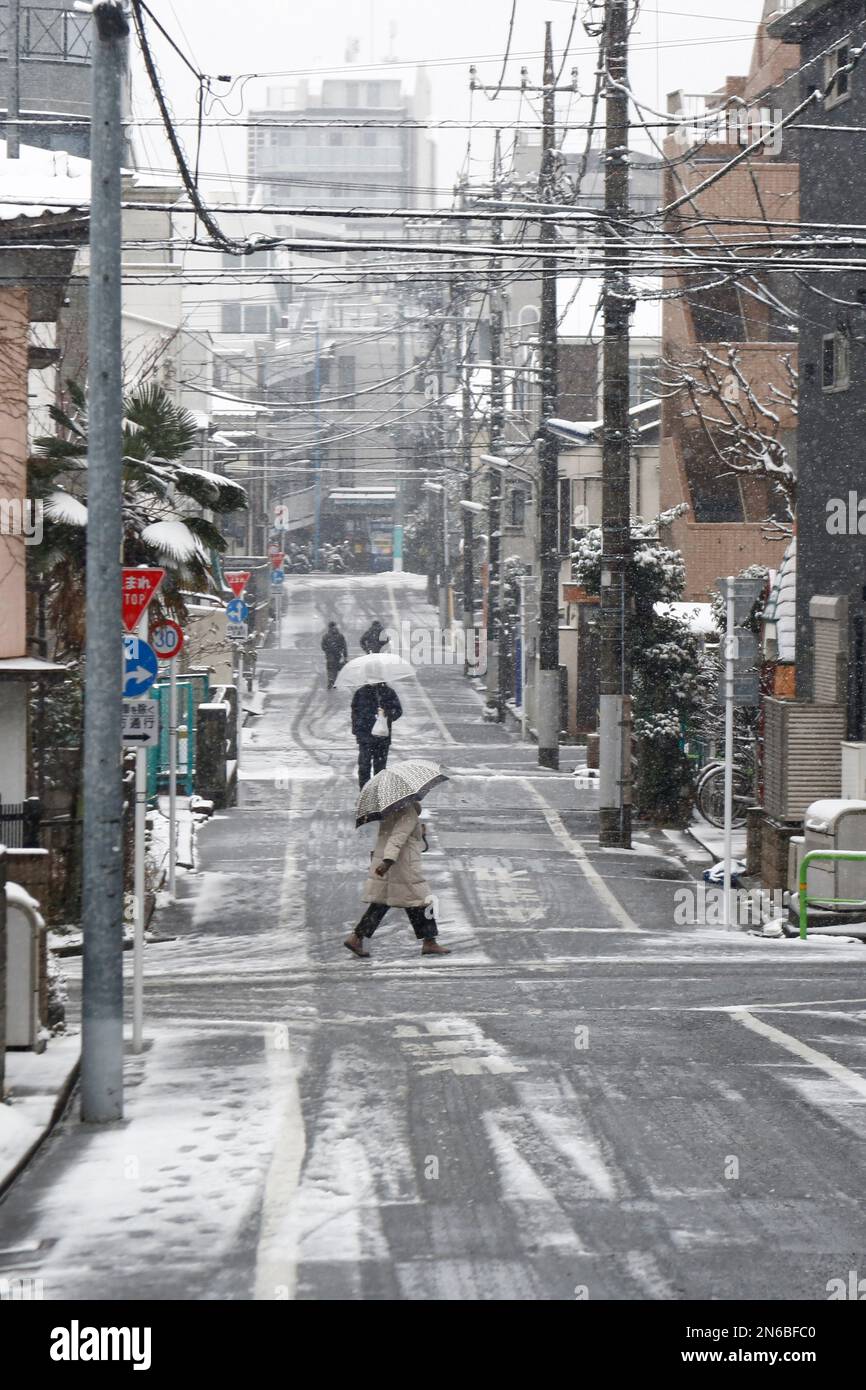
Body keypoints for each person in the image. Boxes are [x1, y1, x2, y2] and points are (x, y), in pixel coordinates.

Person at [344, 800, 450, 958]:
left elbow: (396, 834)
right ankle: (430, 942)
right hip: (403, 865)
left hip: (394, 863)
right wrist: (387, 861)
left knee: (382, 903)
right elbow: (397, 838)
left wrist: (418, 833)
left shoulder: (391, 808)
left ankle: (356, 937)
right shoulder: (408, 810)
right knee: (422, 901)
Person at [351, 680, 401, 788]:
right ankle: (365, 793)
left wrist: (387, 712)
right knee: (364, 767)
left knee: (380, 769)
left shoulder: (388, 692)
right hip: (365, 737)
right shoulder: (361, 693)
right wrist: (357, 731)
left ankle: (377, 793)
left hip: (381, 738)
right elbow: (355, 712)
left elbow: (398, 711)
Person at [320, 620, 348, 689]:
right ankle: (334, 681)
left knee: (329, 668)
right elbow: (344, 646)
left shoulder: (326, 636)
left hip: (329, 655)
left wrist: (327, 651)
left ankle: (330, 679)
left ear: (329, 627)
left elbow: (323, 646)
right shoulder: (340, 636)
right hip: (337, 655)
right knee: (335, 668)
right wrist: (345, 655)